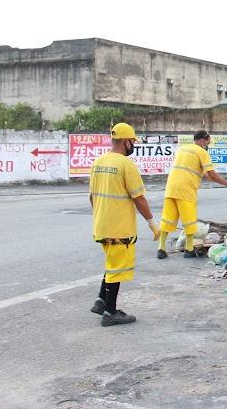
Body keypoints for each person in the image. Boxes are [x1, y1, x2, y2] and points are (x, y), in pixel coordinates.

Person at [89, 122, 158, 326]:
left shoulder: (98, 162)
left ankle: (102, 300)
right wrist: (152, 223)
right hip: (119, 227)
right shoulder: (126, 165)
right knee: (118, 268)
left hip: (102, 224)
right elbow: (139, 198)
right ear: (126, 141)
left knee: (112, 264)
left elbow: (92, 197)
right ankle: (110, 313)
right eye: (132, 142)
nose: (133, 146)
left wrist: (101, 216)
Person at [157, 130, 227, 259]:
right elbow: (212, 174)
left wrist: (209, 177)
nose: (208, 144)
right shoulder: (202, 152)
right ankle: (189, 249)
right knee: (189, 220)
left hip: (171, 187)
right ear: (203, 140)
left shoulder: (182, 149)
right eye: (208, 141)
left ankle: (161, 249)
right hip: (186, 189)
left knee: (168, 218)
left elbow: (195, 171)